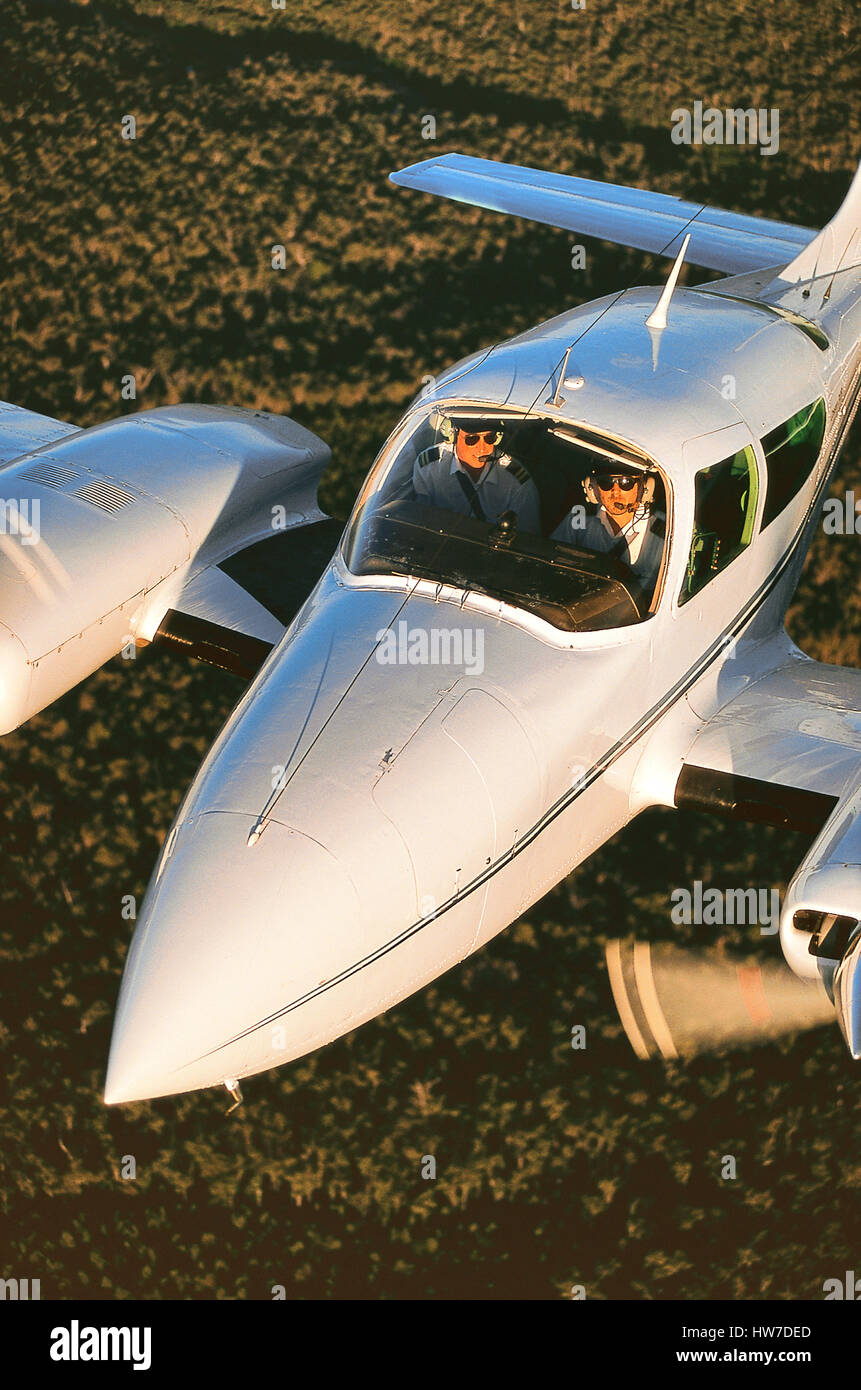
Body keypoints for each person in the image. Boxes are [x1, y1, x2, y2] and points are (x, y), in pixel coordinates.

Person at [412, 418, 541, 532]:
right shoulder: (430, 467)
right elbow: (420, 520)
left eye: (490, 438)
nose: (482, 449)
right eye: (472, 439)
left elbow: (527, 535)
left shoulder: (516, 482)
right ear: (453, 435)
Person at [552, 467, 666, 594]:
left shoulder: (665, 531)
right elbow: (552, 562)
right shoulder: (580, 518)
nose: (615, 492)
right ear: (593, 488)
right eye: (605, 482)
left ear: (644, 488)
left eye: (625, 483)